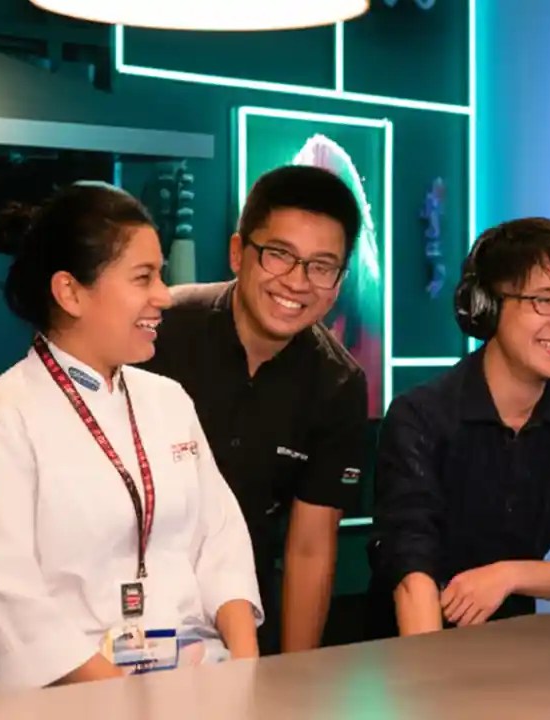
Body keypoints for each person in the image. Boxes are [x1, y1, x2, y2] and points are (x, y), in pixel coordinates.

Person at [0, 182, 261, 700]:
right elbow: (5, 605)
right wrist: (127, 699)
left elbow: (219, 540)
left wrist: (246, 671)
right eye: (144, 277)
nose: (163, 295)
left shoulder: (169, 400)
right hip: (63, 704)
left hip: (187, 690)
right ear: (69, 292)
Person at [366, 217, 550, 636]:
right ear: (487, 305)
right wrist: (425, 680)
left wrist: (509, 575)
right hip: (408, 647)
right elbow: (410, 565)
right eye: (545, 301)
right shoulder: (420, 416)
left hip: (512, 651)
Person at [140, 165, 368, 655]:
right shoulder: (160, 333)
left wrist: (294, 675)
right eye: (280, 255)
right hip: (130, 613)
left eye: (322, 266)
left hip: (244, 619)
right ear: (238, 252)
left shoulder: (338, 383)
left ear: (339, 280)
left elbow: (310, 548)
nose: (298, 282)